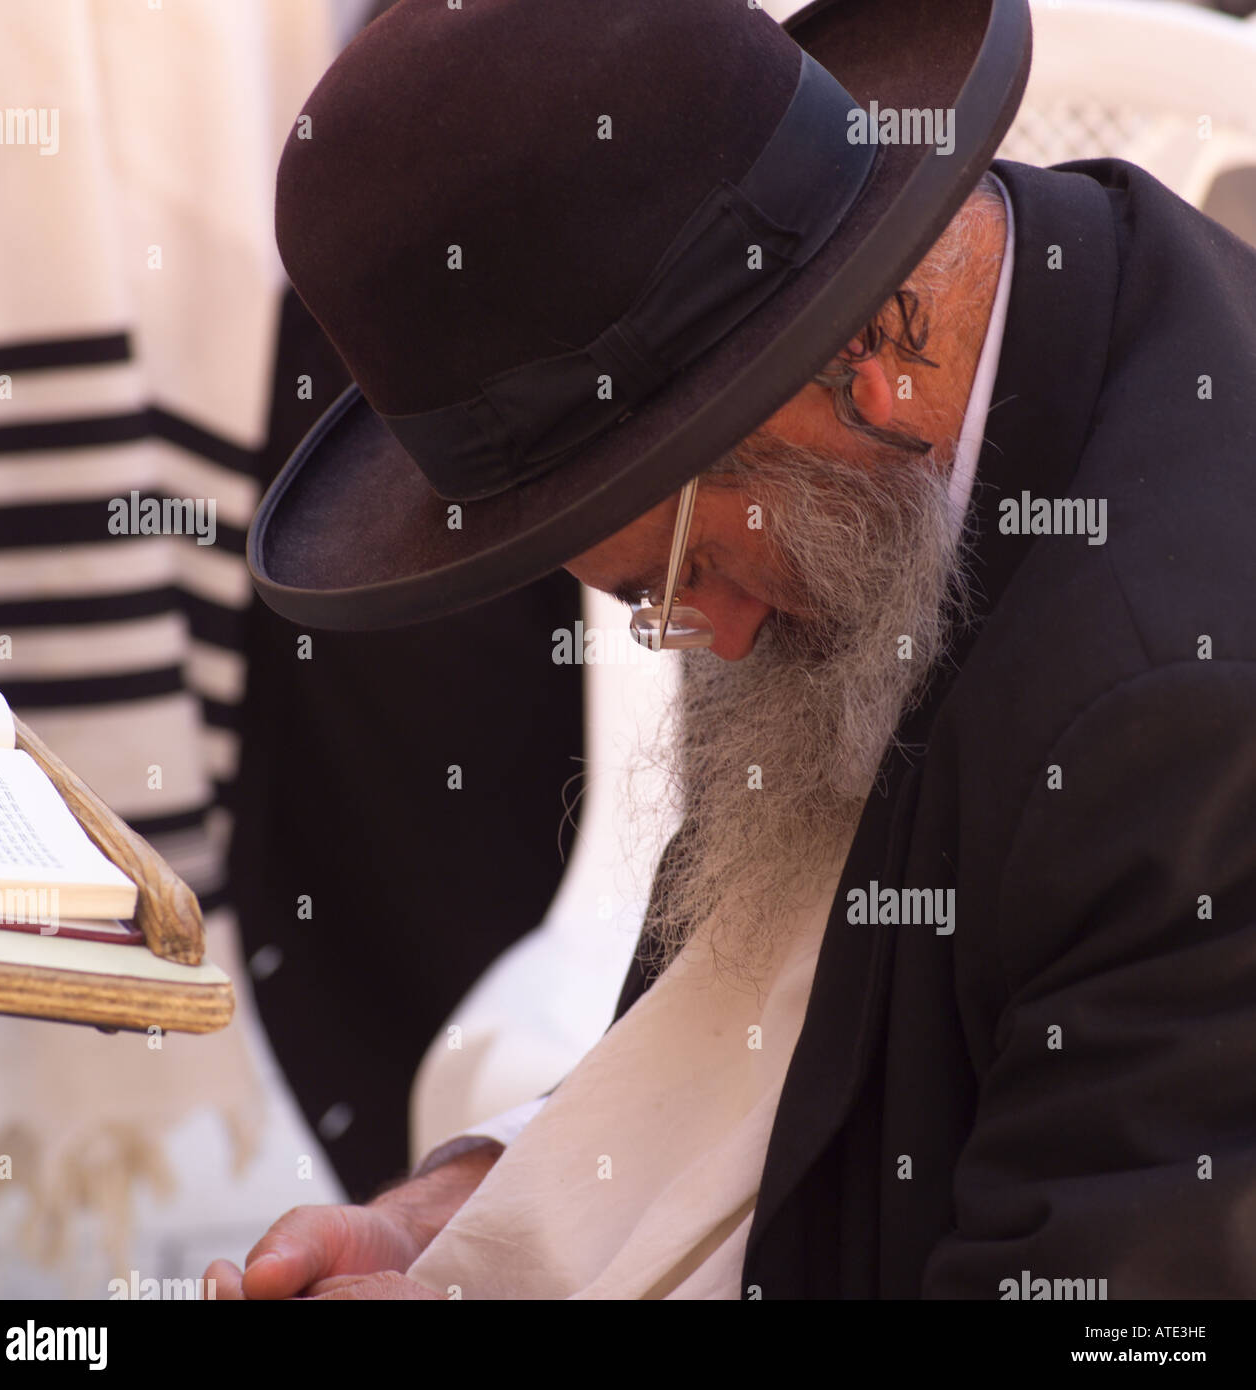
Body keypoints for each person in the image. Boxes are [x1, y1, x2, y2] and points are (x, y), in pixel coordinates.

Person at [210, 0, 1256, 1298]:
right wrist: (472, 1224)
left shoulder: (1186, 707)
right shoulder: (937, 374)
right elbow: (790, 1010)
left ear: (864, 345)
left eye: (685, 569)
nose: (712, 631)